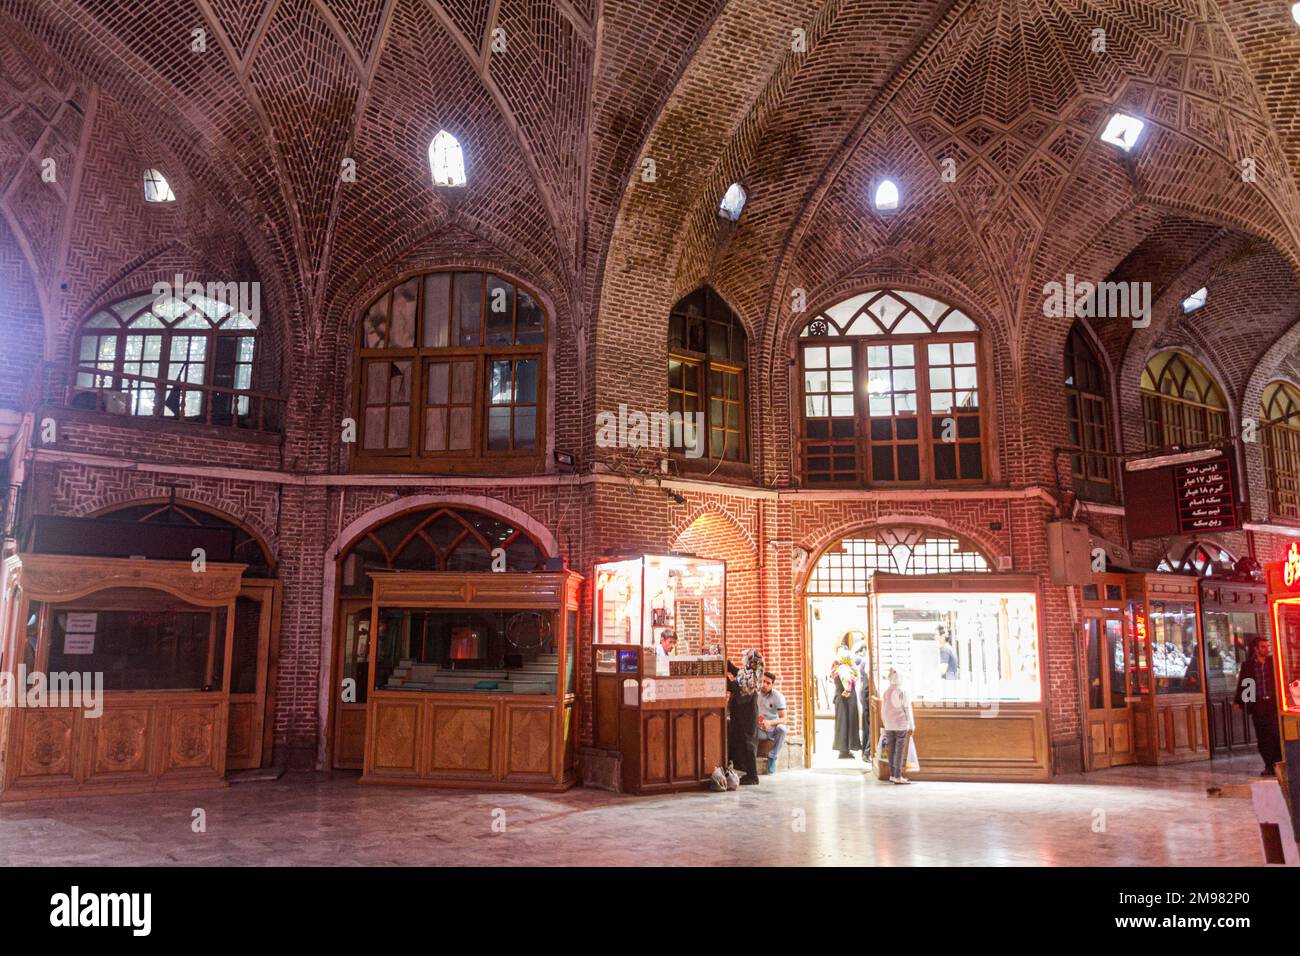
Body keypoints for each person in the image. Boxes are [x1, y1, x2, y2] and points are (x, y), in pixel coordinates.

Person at [1236, 637, 1282, 777]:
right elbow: (1244, 683)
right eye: (1263, 646)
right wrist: (1240, 701)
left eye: (1267, 646)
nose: (1266, 649)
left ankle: (1278, 763)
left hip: (1273, 704)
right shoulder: (1248, 665)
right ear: (1256, 648)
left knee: (1275, 734)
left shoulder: (1272, 663)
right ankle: (1269, 764)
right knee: (1263, 737)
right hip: (1258, 705)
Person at [726, 649, 765, 785]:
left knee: (749, 743)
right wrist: (727, 664)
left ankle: (753, 776)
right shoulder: (748, 672)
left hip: (747, 714)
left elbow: (733, 686)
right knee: (742, 742)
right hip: (741, 713)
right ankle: (747, 772)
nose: (743, 659)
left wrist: (720, 675)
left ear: (751, 662)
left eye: (745, 657)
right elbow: (738, 672)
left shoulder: (752, 676)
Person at [881, 667, 915, 784]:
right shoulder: (903, 691)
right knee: (899, 750)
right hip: (900, 724)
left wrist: (884, 722)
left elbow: (883, 710)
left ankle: (892, 774)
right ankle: (898, 776)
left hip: (889, 724)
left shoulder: (886, 692)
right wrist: (911, 724)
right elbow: (907, 708)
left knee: (891, 749)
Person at [830, 637, 861, 759]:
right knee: (846, 723)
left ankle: (845, 749)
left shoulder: (836, 668)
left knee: (844, 723)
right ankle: (844, 749)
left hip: (842, 698)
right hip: (846, 699)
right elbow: (850, 681)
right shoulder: (845, 669)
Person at [756, 671, 787, 774]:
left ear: (772, 685)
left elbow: (784, 719)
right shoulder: (755, 693)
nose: (764, 685)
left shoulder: (778, 697)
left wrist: (769, 723)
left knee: (782, 729)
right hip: (759, 729)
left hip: (772, 729)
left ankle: (772, 756)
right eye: (763, 681)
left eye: (768, 683)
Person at [853, 640, 871, 758]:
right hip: (866, 692)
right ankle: (867, 752)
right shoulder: (865, 660)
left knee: (866, 724)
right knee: (869, 724)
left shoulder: (864, 660)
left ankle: (866, 751)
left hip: (864, 691)